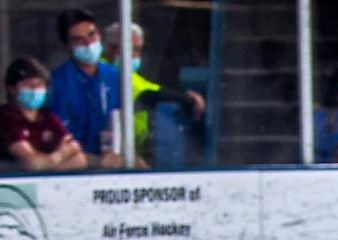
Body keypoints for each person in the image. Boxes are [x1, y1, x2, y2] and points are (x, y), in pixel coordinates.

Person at [102, 21, 206, 168]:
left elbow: (152, 88)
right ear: (114, 49)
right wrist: (187, 100)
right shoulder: (107, 72)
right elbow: (149, 93)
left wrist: (186, 98)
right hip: (109, 154)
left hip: (130, 149)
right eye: (134, 50)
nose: (138, 56)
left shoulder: (125, 72)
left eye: (140, 50)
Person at [46, 7, 122, 167]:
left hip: (113, 161)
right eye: (78, 39)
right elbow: (59, 140)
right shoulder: (57, 83)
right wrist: (95, 161)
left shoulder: (115, 76)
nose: (88, 43)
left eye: (91, 34)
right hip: (73, 167)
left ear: (99, 35)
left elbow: (120, 121)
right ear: (67, 45)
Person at [2, 58, 86, 171]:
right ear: (12, 89)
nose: (35, 89)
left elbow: (79, 158)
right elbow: (32, 163)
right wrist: (59, 156)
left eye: (40, 84)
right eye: (27, 84)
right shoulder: (6, 117)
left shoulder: (48, 117)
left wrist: (46, 166)